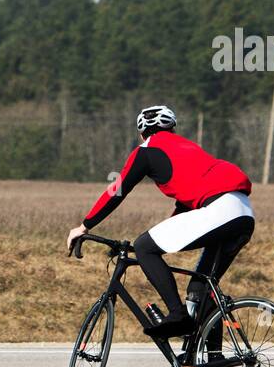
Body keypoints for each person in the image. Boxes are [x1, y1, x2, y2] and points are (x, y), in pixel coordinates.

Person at [66, 105, 255, 345]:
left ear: (142, 133)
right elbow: (185, 208)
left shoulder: (146, 150)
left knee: (144, 246)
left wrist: (85, 226)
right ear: (172, 128)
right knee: (201, 289)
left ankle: (177, 315)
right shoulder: (189, 148)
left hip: (219, 210)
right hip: (244, 213)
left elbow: (117, 190)